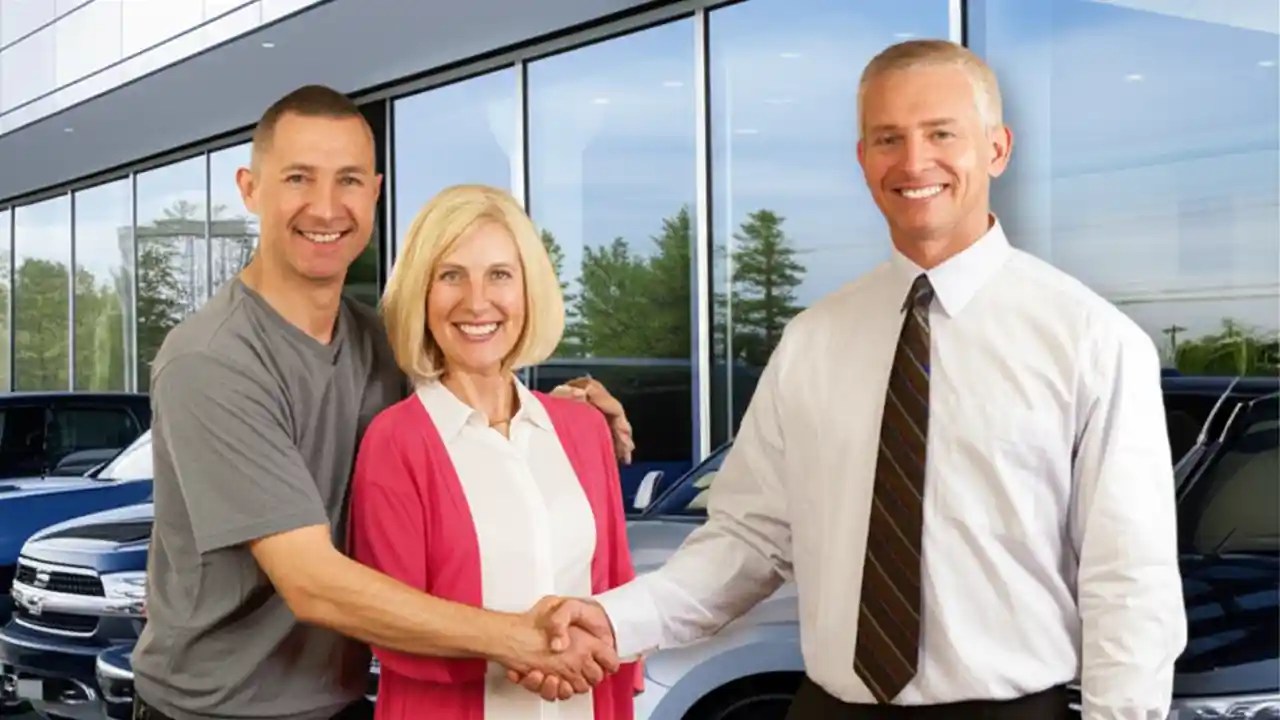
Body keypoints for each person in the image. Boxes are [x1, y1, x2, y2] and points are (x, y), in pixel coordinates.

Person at [522, 39, 1188, 719]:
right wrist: (615, 621)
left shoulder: (1092, 342)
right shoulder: (812, 341)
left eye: (940, 134)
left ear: (996, 149)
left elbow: (1129, 586)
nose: (913, 161)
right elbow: (749, 540)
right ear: (863, 158)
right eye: (887, 138)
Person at [131, 85, 633, 720]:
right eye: (297, 178)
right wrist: (521, 639)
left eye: (347, 180)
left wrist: (560, 415)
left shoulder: (379, 343)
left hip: (337, 701)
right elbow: (312, 583)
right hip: (216, 711)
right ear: (250, 188)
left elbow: (472, 411)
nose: (325, 205)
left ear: (374, 192)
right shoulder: (213, 360)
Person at [346, 184, 641, 719]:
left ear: (528, 290)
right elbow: (391, 628)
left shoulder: (583, 430)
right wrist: (533, 654)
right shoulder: (396, 442)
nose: (477, 301)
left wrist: (598, 661)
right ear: (421, 292)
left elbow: (616, 592)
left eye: (500, 275)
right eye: (450, 275)